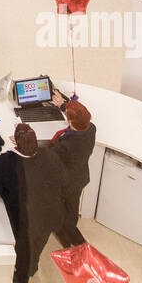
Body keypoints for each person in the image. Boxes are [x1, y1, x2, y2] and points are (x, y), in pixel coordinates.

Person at [0, 125, 68, 283]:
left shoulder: (7, 162)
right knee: (38, 244)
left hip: (25, 220)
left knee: (23, 250)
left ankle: (21, 282)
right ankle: (32, 267)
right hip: (49, 215)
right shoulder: (50, 156)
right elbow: (63, 180)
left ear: (16, 143)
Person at [46, 94, 96, 247]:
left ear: (70, 122)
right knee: (72, 207)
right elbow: (78, 118)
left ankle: (68, 240)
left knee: (61, 208)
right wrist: (63, 105)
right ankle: (74, 239)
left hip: (65, 182)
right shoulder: (91, 128)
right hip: (80, 177)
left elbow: (49, 157)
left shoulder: (66, 146)